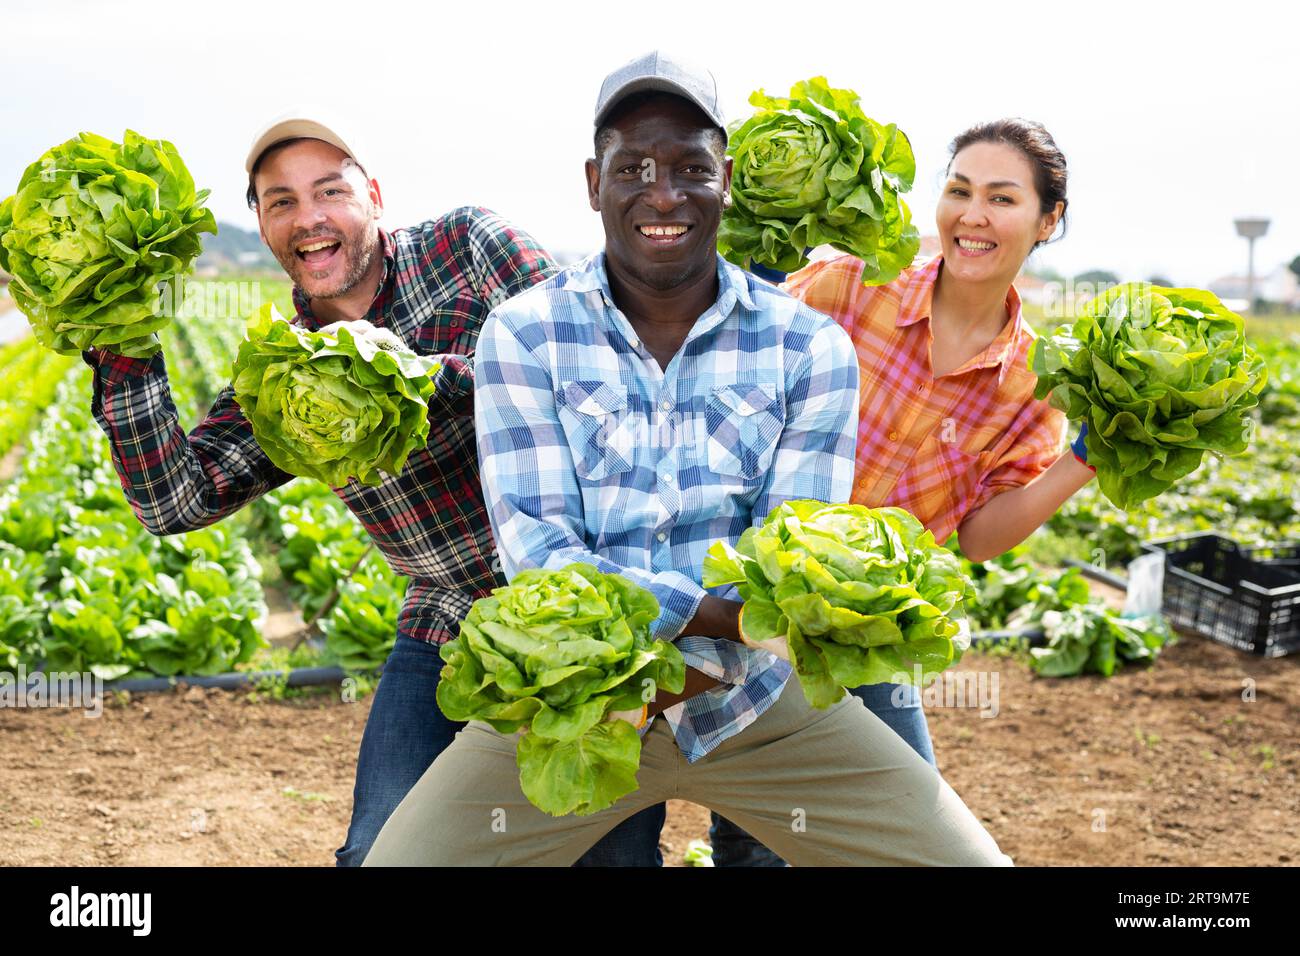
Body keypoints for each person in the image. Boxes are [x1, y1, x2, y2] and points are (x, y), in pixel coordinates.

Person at [362, 51, 1013, 867]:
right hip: (576, 697)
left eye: (689, 169)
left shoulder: (806, 343)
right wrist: (726, 617)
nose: (662, 194)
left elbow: (789, 562)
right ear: (593, 181)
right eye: (633, 167)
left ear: (728, 180)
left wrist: (740, 622)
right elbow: (543, 561)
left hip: (759, 711)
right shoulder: (525, 333)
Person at [81, 112, 660, 867]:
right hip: (449, 610)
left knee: (605, 858)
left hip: (587, 604)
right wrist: (123, 341)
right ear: (259, 223)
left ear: (375, 197)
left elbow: (595, 364)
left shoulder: (470, 246)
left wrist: (413, 382)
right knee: (380, 854)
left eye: (330, 190)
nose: (309, 217)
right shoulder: (288, 378)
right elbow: (174, 501)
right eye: (280, 201)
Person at [709, 118, 1096, 865]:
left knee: (907, 826)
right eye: (959, 191)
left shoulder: (1035, 383)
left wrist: (1085, 460)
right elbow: (736, 372)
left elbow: (980, 536)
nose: (972, 216)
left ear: (1048, 221)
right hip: (750, 598)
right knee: (759, 836)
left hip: (867, 630)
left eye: (1002, 198)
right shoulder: (854, 284)